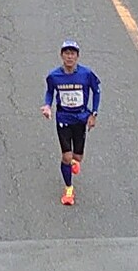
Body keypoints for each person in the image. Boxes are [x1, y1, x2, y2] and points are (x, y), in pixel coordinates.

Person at [42, 40, 101, 207]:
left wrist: (94, 114)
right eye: (66, 53)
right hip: (64, 119)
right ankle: (69, 189)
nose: (69, 57)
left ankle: (74, 163)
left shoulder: (86, 74)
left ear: (77, 56)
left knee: (77, 157)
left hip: (81, 118)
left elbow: (96, 91)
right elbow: (50, 92)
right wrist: (47, 106)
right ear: (61, 56)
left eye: (72, 54)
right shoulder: (54, 76)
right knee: (66, 157)